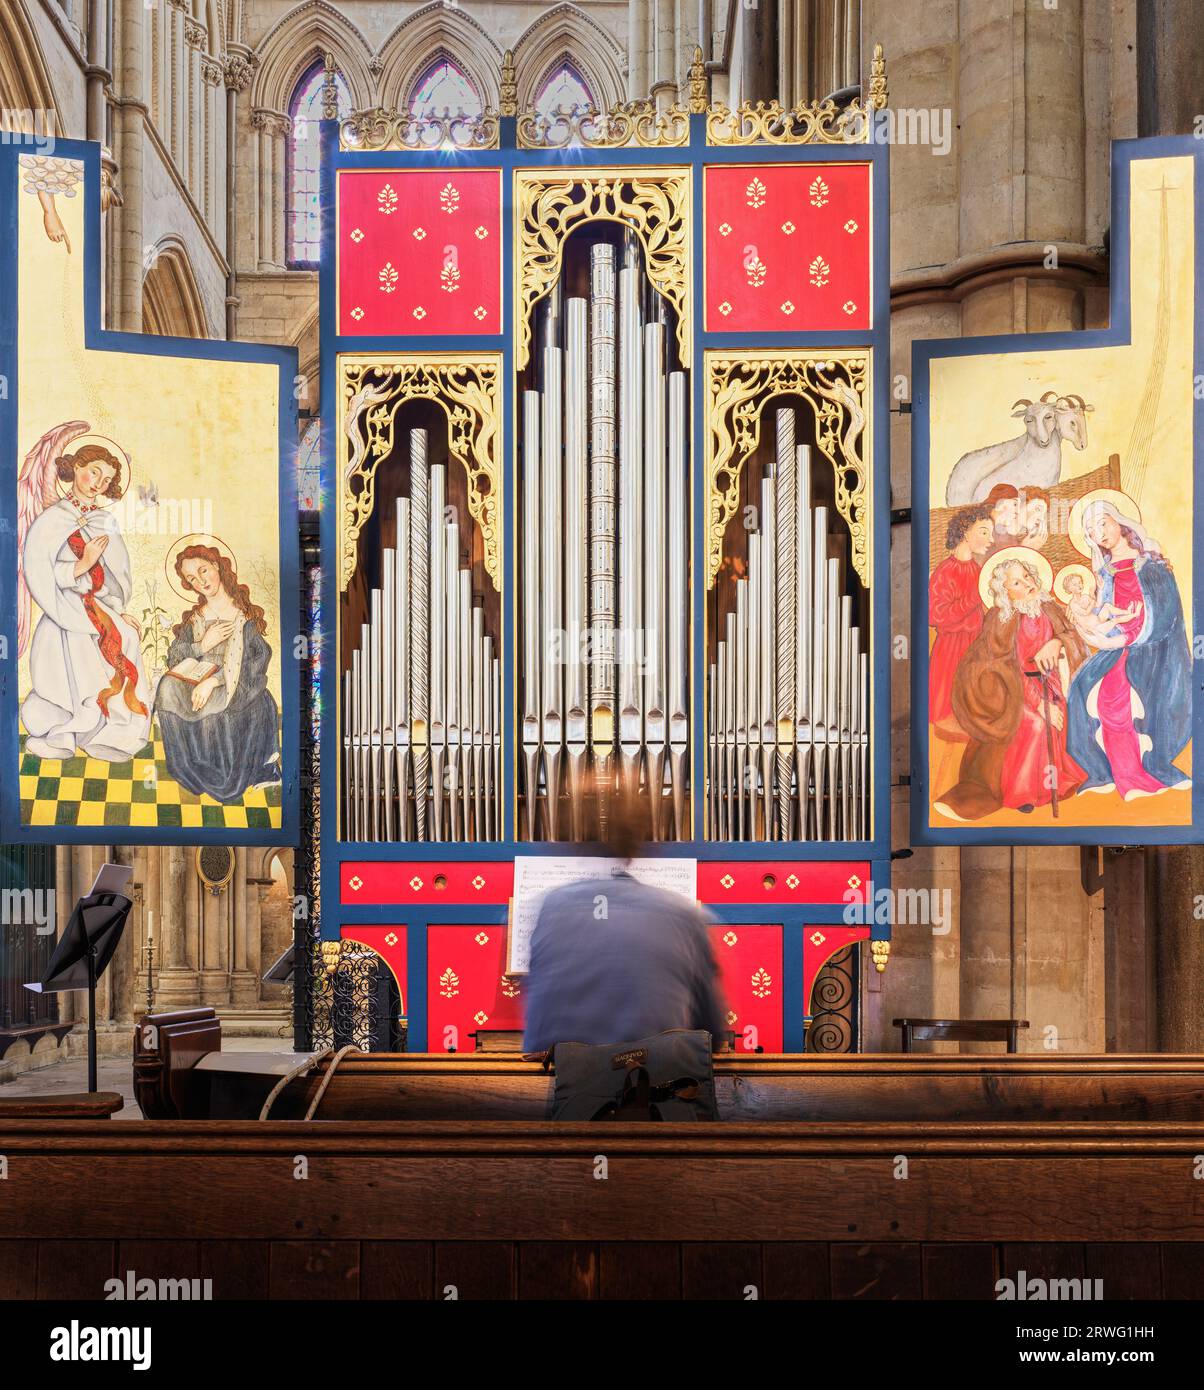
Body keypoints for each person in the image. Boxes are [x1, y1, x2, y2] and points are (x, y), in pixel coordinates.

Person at [522, 781, 727, 1054]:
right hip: (650, 1086)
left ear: (575, 841)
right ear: (639, 842)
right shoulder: (683, 915)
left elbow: (540, 1020)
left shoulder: (551, 908)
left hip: (560, 1088)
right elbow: (710, 1034)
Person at [18, 429, 151, 761]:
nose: (97, 483)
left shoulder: (104, 521)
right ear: (75, 467)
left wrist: (118, 611)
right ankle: (68, 730)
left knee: (129, 638)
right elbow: (41, 573)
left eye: (106, 480)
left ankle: (111, 731)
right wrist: (82, 564)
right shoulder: (51, 519)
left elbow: (115, 578)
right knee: (78, 642)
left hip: (97, 606)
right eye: (93, 471)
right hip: (63, 609)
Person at [936, 554, 1086, 821]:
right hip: (1008, 691)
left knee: (1062, 713)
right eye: (1016, 582)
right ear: (1004, 592)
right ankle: (1022, 793)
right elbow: (1004, 666)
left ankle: (1049, 784)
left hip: (1049, 683)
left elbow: (1073, 635)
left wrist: (1058, 642)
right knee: (1036, 723)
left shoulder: (1049, 607)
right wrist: (1038, 703)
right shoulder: (999, 619)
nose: (1026, 583)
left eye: (1027, 576)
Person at [1066, 499, 1191, 799]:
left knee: (1115, 694)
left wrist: (1115, 640)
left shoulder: (1153, 566)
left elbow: (1163, 617)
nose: (1100, 533)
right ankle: (1102, 772)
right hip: (1119, 646)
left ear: (1120, 521)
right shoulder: (1106, 572)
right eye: (1091, 531)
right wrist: (1093, 626)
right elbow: (1106, 614)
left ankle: (1148, 769)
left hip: (1154, 650)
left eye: (1103, 523)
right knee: (1082, 687)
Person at [156, 543, 281, 802]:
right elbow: (176, 657)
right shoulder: (196, 618)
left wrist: (213, 681)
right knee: (167, 687)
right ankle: (190, 768)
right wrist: (203, 645)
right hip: (198, 677)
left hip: (237, 683)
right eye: (191, 579)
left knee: (215, 707)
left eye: (203, 570)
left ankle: (220, 776)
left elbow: (256, 662)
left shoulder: (244, 616)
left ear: (216, 565)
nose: (200, 581)